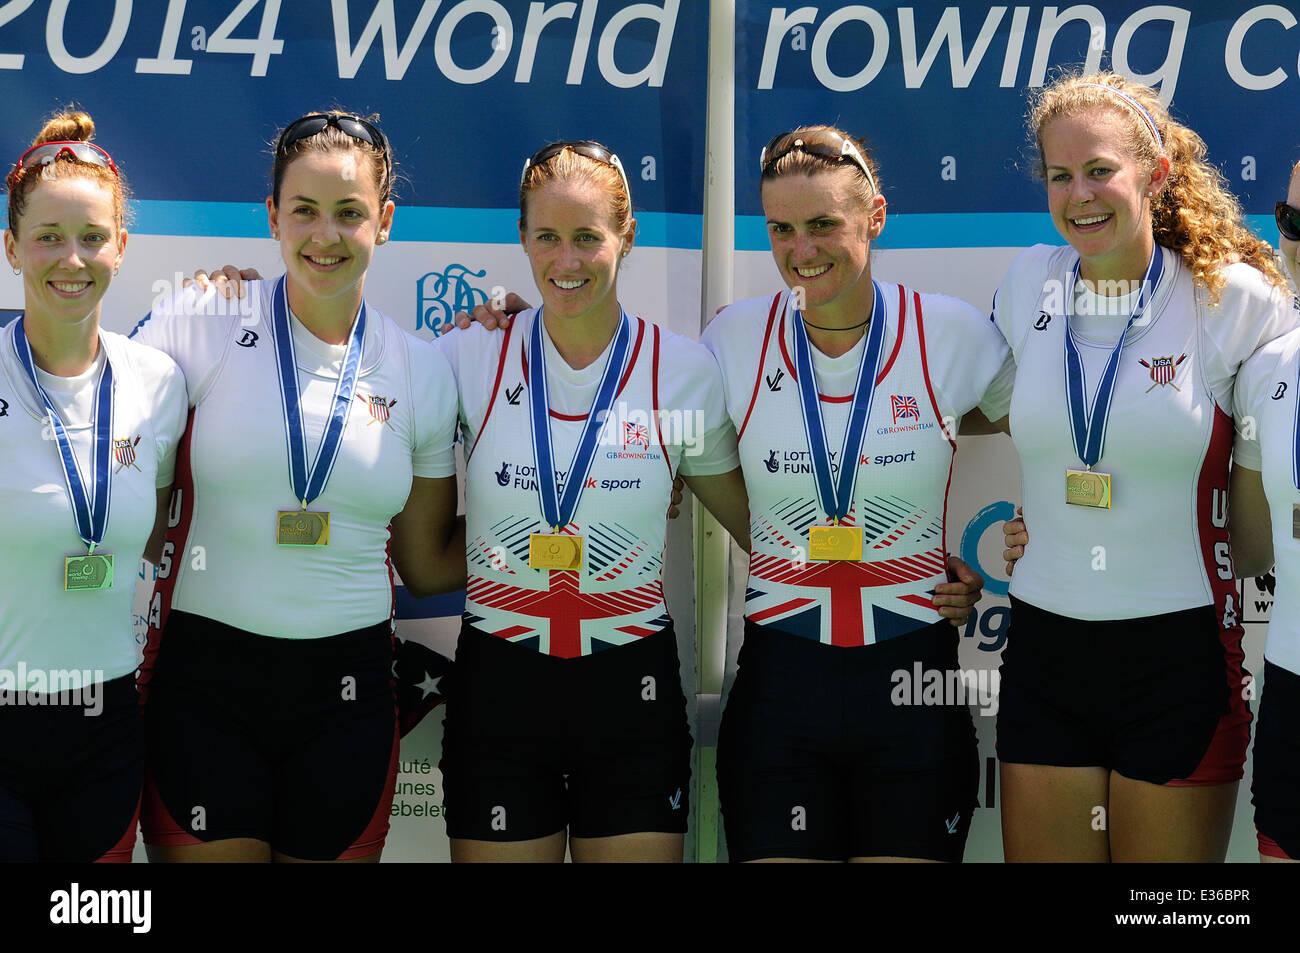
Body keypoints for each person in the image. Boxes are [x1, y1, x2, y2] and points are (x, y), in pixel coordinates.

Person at [129, 111, 463, 862]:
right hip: (204, 689)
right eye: (304, 211)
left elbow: (427, 564)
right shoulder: (201, 321)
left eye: (349, 213)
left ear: (385, 220)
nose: (325, 236)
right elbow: (106, 466)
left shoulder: (422, 367)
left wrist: (606, 514)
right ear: (273, 216)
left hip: (346, 701)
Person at [989, 72, 1296, 862]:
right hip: (1045, 652)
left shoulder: (1235, 301)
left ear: (1155, 173)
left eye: (1099, 170)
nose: (1078, 194)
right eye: (1059, 175)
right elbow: (950, 405)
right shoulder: (1028, 283)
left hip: (1181, 658)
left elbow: (1262, 516)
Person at [434, 140, 748, 862]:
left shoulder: (684, 372)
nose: (565, 261)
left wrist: (921, 574)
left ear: (626, 236)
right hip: (501, 682)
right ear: (523, 238)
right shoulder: (466, 355)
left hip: (628, 687)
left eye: (586, 237)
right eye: (546, 237)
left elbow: (763, 528)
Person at [700, 126, 1007, 862]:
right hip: (781, 680)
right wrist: (511, 330)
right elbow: (658, 430)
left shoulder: (952, 334)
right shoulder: (731, 340)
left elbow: (1047, 423)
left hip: (912, 678)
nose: (801, 250)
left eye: (823, 224)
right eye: (781, 229)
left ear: (875, 216)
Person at [0, 111, 187, 861]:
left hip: (105, 726)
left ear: (121, 246)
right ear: (11, 247)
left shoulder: (159, 383)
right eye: (47, 236)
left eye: (91, 236)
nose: (70, 258)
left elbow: (153, 527)